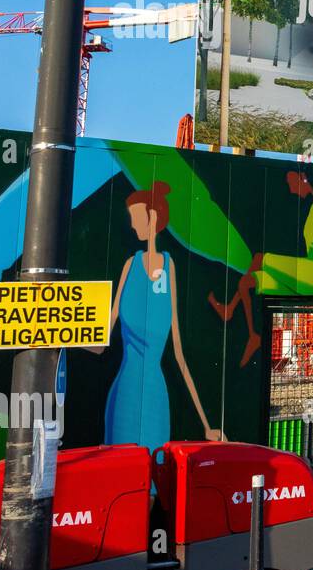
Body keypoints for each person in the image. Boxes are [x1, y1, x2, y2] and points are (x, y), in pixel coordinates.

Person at [93, 182, 220, 450]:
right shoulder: (130, 264)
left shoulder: (170, 267)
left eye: (136, 218)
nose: (131, 225)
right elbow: (101, 342)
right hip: (124, 393)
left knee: (154, 474)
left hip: (155, 397)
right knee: (120, 468)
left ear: (152, 218)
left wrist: (207, 425)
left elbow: (178, 355)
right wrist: (59, 335)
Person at [209, 170, 313, 368]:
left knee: (260, 258)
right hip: (306, 276)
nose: (290, 188)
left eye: (292, 182)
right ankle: (254, 336)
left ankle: (230, 309)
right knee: (246, 283)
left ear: (303, 179)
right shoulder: (311, 211)